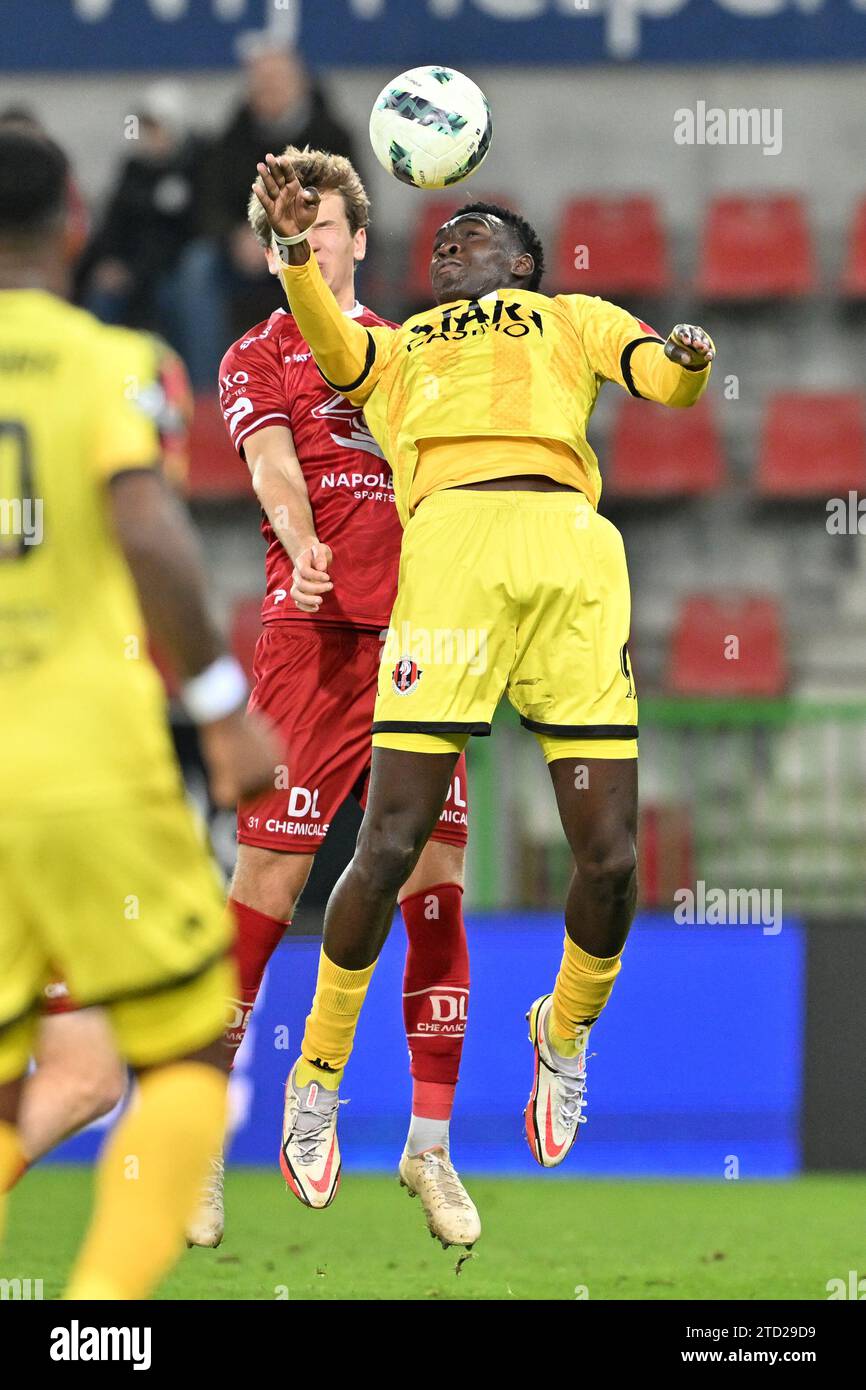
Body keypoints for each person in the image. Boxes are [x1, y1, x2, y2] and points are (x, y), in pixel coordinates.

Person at [251, 152, 715, 1189]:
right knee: (388, 838)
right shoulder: (400, 344)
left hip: (569, 563)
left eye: (477, 233)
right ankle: (317, 1073)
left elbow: (665, 381)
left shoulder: (573, 318)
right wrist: (291, 252)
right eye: (442, 237)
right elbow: (330, 351)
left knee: (606, 855)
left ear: (526, 263)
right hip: (450, 559)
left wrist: (686, 359)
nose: (450, 242)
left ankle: (563, 1030)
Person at [0, 128, 279, 1300]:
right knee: (184, 1058)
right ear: (74, 221)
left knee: (57, 1065)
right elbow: (148, 527)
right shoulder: (118, 363)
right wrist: (221, 705)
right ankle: (93, 1324)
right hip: (83, 764)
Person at [184, 146, 477, 1251]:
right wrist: (304, 545)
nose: (300, 250)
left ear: (356, 239)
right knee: (265, 887)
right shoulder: (255, 353)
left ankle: (429, 1147)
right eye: (282, 240)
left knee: (435, 886)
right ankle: (200, 1148)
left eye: (316, 233)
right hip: (310, 645)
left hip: (423, 646)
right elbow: (272, 466)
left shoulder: (410, 356)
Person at [180, 40, 358, 385]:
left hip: (310, 243)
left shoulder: (333, 136)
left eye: (277, 82)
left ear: (300, 84)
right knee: (196, 268)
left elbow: (350, 205)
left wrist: (294, 239)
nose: (268, 92)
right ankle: (210, 388)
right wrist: (235, 236)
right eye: (260, 84)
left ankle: (335, 378)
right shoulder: (232, 137)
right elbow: (209, 204)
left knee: (343, 259)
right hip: (246, 252)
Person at [75, 83, 208, 381]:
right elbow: (113, 226)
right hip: (132, 272)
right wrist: (107, 263)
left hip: (169, 271)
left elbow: (191, 234)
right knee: (99, 296)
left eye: (156, 127)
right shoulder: (133, 169)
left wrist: (134, 271)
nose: (149, 136)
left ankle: (202, 390)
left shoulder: (198, 167)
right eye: (144, 128)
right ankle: (93, 380)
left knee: (182, 293)